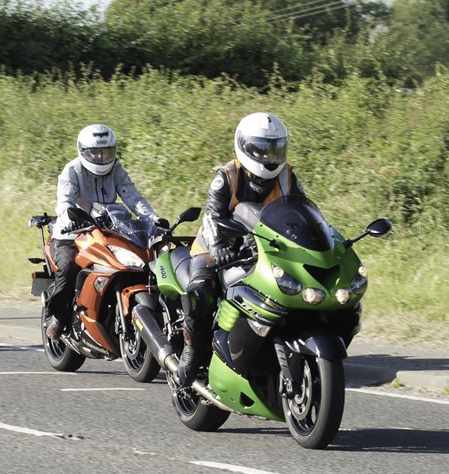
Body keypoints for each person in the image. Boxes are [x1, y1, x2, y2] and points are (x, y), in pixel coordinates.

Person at [171, 111, 308, 386]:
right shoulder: (228, 175)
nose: (268, 156)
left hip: (266, 248)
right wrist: (220, 245)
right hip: (217, 246)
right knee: (201, 292)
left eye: (274, 149)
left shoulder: (288, 177)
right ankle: (193, 350)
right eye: (260, 149)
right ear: (244, 147)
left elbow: (304, 212)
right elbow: (211, 215)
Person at [43, 124, 158, 341]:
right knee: (68, 268)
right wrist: (72, 218)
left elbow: (133, 198)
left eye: (106, 152)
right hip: (73, 232)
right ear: (83, 151)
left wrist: (153, 219)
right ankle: (58, 316)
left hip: (107, 228)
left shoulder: (116, 170)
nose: (101, 156)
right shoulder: (72, 170)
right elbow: (65, 203)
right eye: (95, 152)